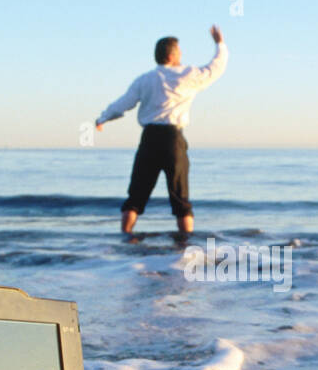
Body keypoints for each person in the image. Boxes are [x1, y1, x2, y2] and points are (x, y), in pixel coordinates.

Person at [95, 26, 228, 235]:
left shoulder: (145, 79)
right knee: (180, 197)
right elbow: (216, 68)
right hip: (172, 139)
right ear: (172, 54)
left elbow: (124, 103)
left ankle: (126, 240)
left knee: (136, 195)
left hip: (149, 139)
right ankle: (184, 245)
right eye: (180, 52)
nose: (182, 55)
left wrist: (103, 118)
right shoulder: (186, 74)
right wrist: (219, 43)